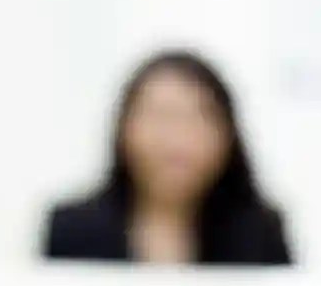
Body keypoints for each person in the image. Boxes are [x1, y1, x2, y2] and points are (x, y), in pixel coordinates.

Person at [44, 50, 293, 266]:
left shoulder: (260, 233)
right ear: (124, 129)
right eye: (162, 116)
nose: (178, 140)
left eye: (198, 118)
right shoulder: (73, 228)